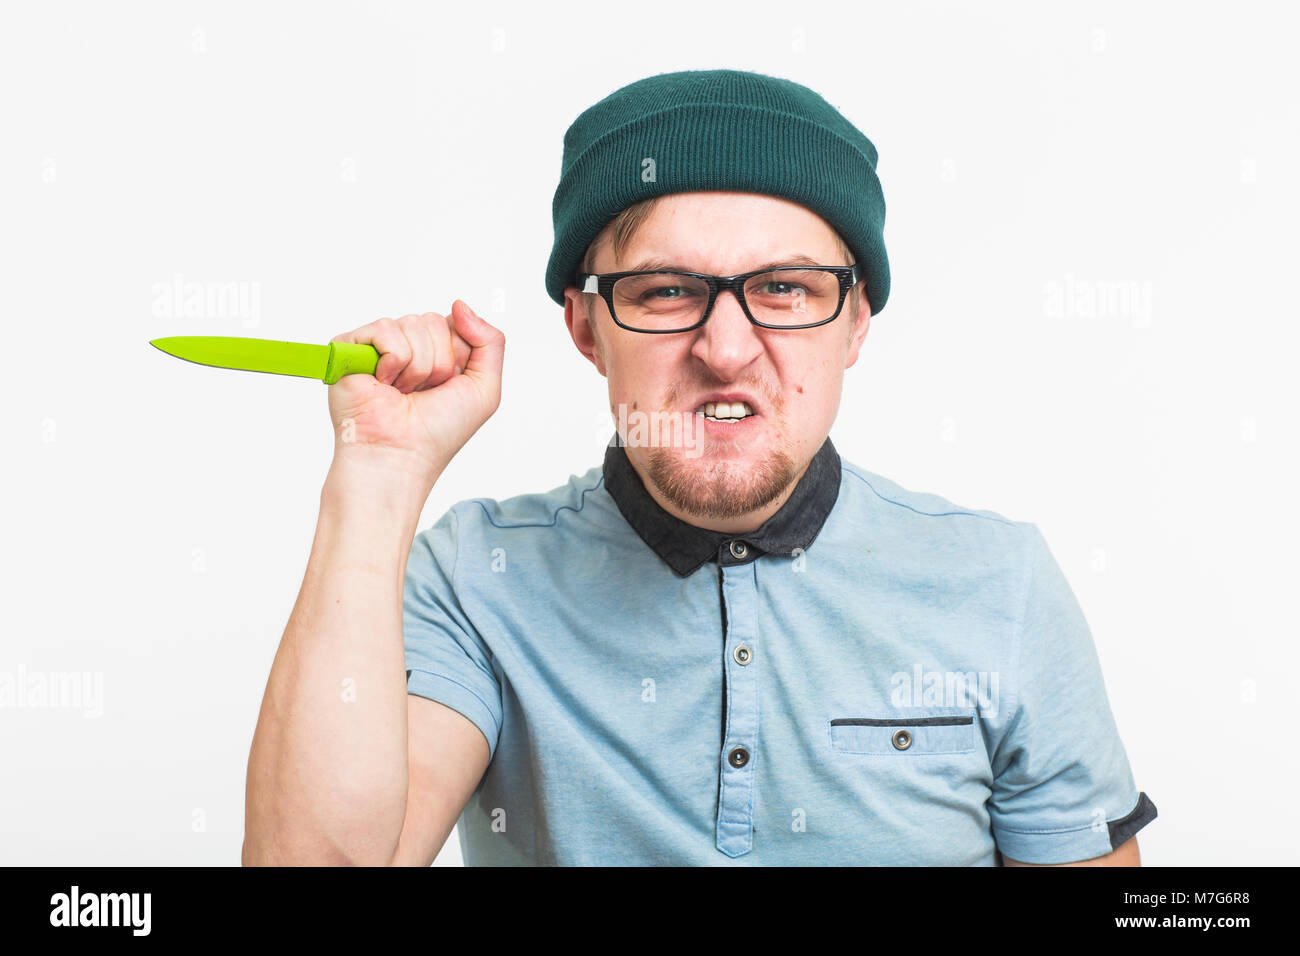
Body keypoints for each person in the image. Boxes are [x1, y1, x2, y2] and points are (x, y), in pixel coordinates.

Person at [242, 68, 1156, 866]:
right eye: (668, 291)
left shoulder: (1000, 586)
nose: (726, 349)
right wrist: (379, 470)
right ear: (586, 327)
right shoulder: (478, 580)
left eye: (786, 288)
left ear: (856, 322)